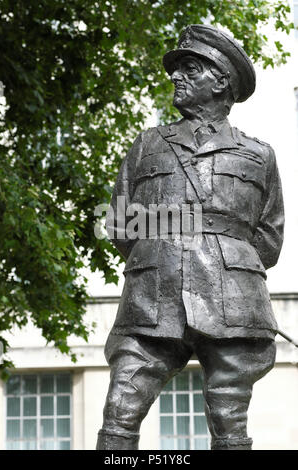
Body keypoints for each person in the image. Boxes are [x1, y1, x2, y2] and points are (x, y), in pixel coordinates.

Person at [96, 24, 284, 451]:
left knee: (229, 417)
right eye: (176, 70)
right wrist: (166, 247)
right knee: (120, 409)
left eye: (190, 68)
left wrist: (221, 256)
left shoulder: (259, 155)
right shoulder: (146, 145)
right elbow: (120, 225)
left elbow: (269, 239)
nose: (176, 77)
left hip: (235, 298)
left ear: (221, 82)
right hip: (152, 294)